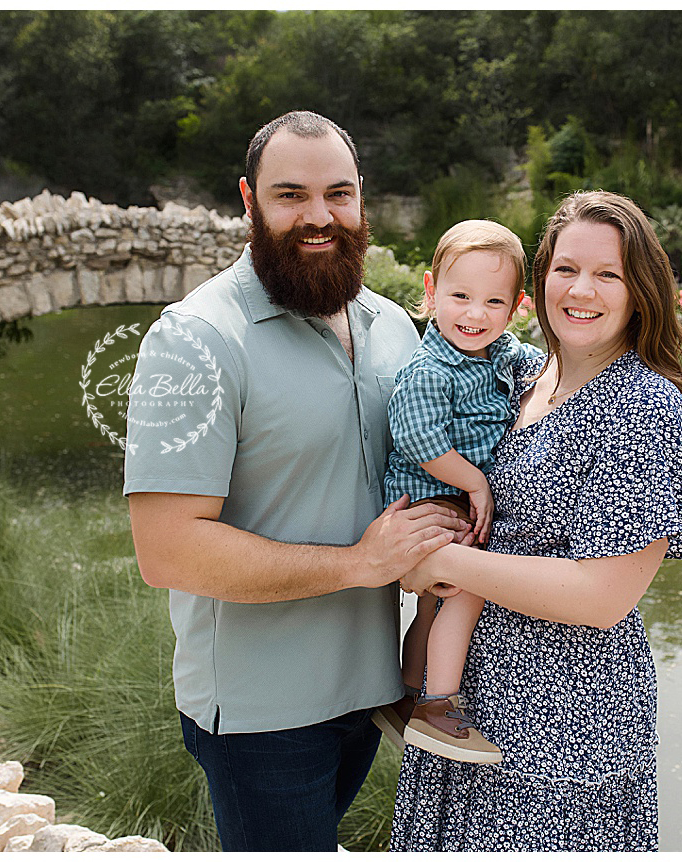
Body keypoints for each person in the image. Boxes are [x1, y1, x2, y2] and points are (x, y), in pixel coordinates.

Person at [123, 110, 467, 852]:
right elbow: (167, 551)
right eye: (291, 196)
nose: (320, 217)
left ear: (362, 198)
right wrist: (361, 564)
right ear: (248, 200)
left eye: (339, 194)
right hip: (260, 712)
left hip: (375, 691)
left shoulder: (395, 327)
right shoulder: (195, 340)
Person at [390, 190, 682, 851]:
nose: (581, 289)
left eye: (608, 273)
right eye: (565, 269)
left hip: (563, 718)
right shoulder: (522, 376)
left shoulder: (642, 405)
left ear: (640, 289)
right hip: (462, 703)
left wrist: (440, 560)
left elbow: (603, 597)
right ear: (539, 282)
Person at [370, 220, 540, 764]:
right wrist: (477, 482)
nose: (474, 314)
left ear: (516, 306)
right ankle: (439, 705)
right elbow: (419, 439)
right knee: (467, 589)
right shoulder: (431, 369)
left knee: (431, 610)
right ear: (430, 291)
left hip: (457, 497)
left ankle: (406, 692)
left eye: (493, 301)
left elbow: (538, 368)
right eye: (459, 296)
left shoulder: (499, 353)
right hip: (431, 499)